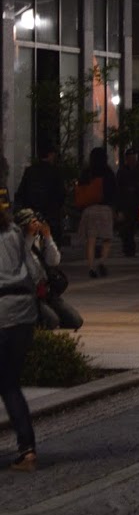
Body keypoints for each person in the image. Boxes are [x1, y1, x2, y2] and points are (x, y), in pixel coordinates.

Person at [0, 196, 42, 471]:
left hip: (2, 312)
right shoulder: (15, 232)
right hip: (24, 313)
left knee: (7, 384)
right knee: (10, 383)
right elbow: (36, 272)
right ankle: (27, 451)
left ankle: (26, 449)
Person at [74, 146, 117, 278]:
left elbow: (80, 190)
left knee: (91, 239)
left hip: (89, 209)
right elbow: (113, 192)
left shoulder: (87, 173)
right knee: (107, 238)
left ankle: (91, 266)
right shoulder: (108, 172)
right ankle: (102, 261)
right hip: (105, 209)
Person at [15, 144, 68, 242]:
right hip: (51, 216)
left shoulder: (30, 171)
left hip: (32, 215)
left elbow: (21, 193)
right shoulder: (55, 172)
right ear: (50, 155)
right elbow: (61, 194)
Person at [115, 148, 139, 258]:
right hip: (126, 203)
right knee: (127, 227)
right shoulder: (122, 171)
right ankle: (129, 248)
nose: (132, 160)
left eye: (134, 157)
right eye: (130, 158)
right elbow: (118, 188)